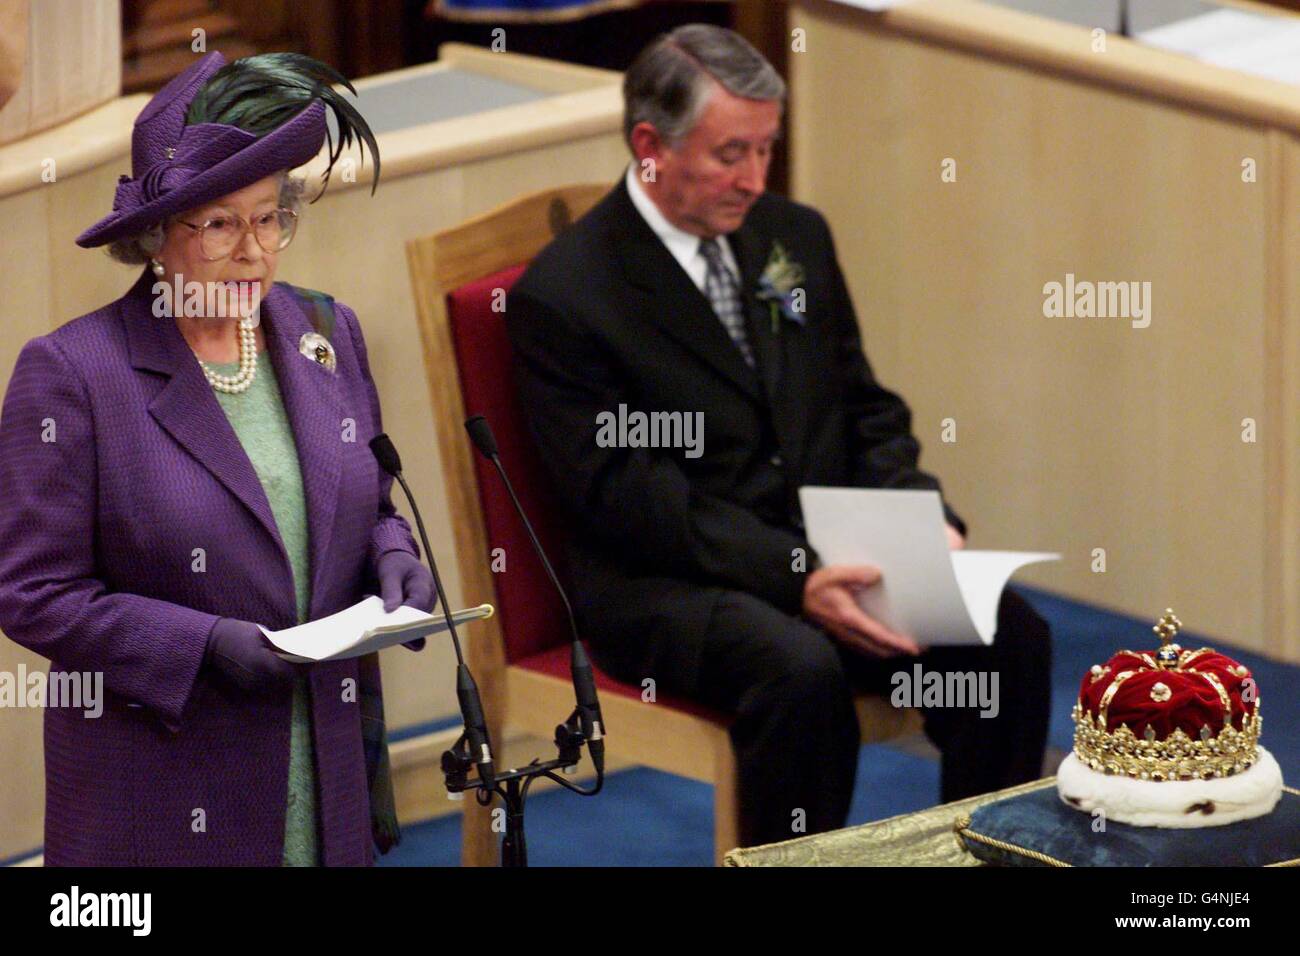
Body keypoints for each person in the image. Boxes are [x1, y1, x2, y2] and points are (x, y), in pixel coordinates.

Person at [505, 25, 1052, 848]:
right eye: (731, 154)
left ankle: (984, 857)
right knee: (798, 671)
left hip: (822, 549)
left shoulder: (793, 239)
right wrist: (797, 579)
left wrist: (920, 516)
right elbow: (630, 498)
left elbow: (863, 406)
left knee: (1007, 636)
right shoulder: (569, 295)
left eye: (767, 149)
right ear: (649, 145)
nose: (755, 180)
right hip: (669, 582)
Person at [0, 51, 434, 866]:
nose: (256, 253)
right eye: (222, 224)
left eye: (271, 218)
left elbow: (366, 502)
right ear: (156, 236)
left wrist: (394, 555)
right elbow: (32, 594)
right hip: (167, 792)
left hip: (324, 764)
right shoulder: (74, 375)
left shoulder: (324, 334)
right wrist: (199, 647)